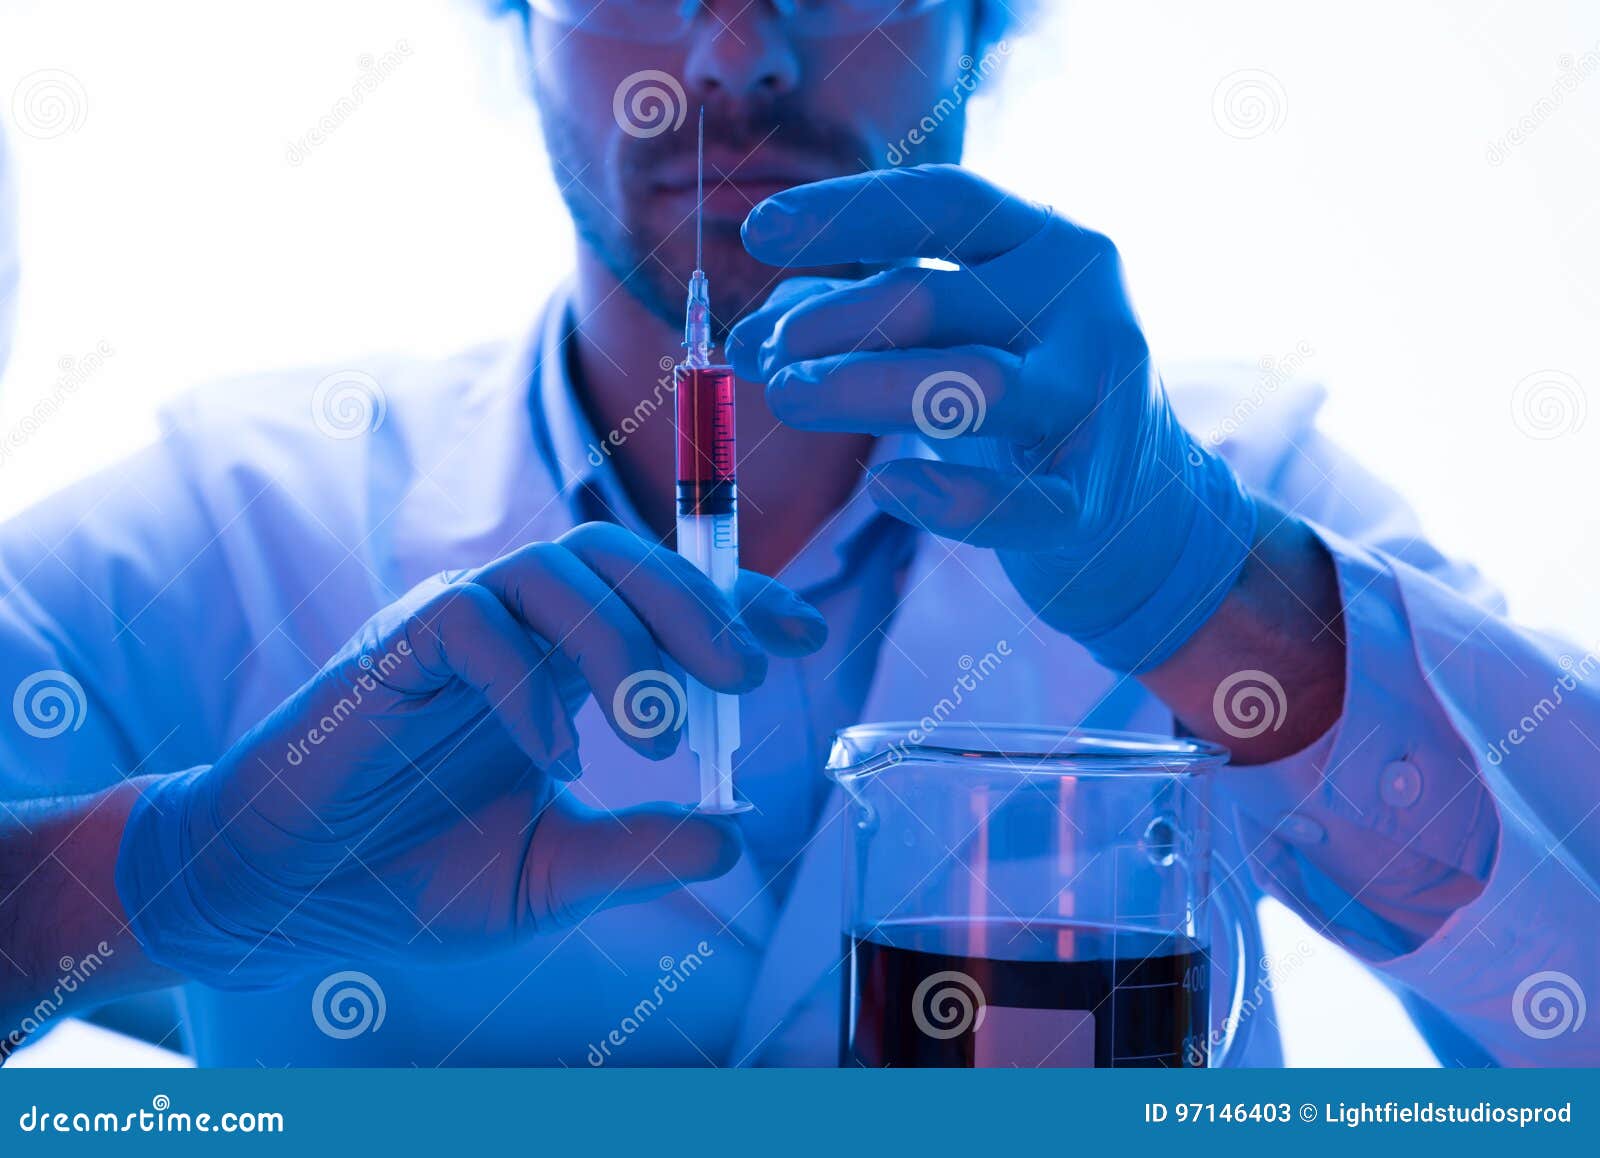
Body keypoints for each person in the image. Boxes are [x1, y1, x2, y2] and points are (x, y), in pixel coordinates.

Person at [0, 0, 1594, 1067]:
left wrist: (1222, 605)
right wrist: (150, 874)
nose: (738, 56)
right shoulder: (224, 535)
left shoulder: (1231, 495)